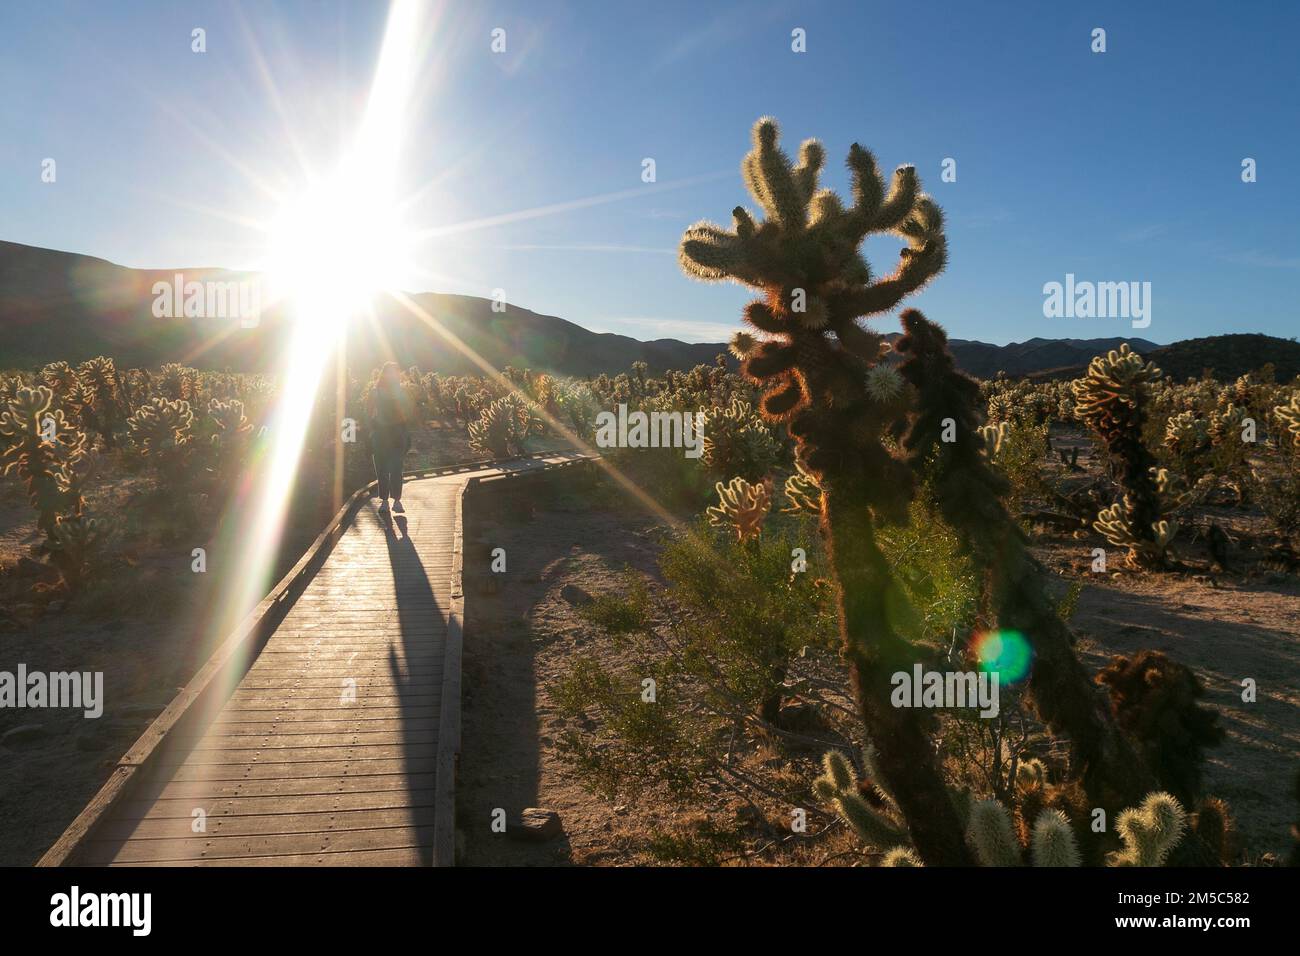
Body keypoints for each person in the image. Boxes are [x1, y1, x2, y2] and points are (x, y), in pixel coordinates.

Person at [366, 362, 414, 515]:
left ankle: (397, 501)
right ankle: (385, 501)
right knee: (381, 469)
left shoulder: (401, 392)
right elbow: (368, 412)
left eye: (395, 372)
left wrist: (407, 433)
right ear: (384, 374)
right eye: (390, 372)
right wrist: (368, 432)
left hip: (397, 435)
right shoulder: (375, 392)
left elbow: (408, 412)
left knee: (396, 468)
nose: (393, 376)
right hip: (380, 434)